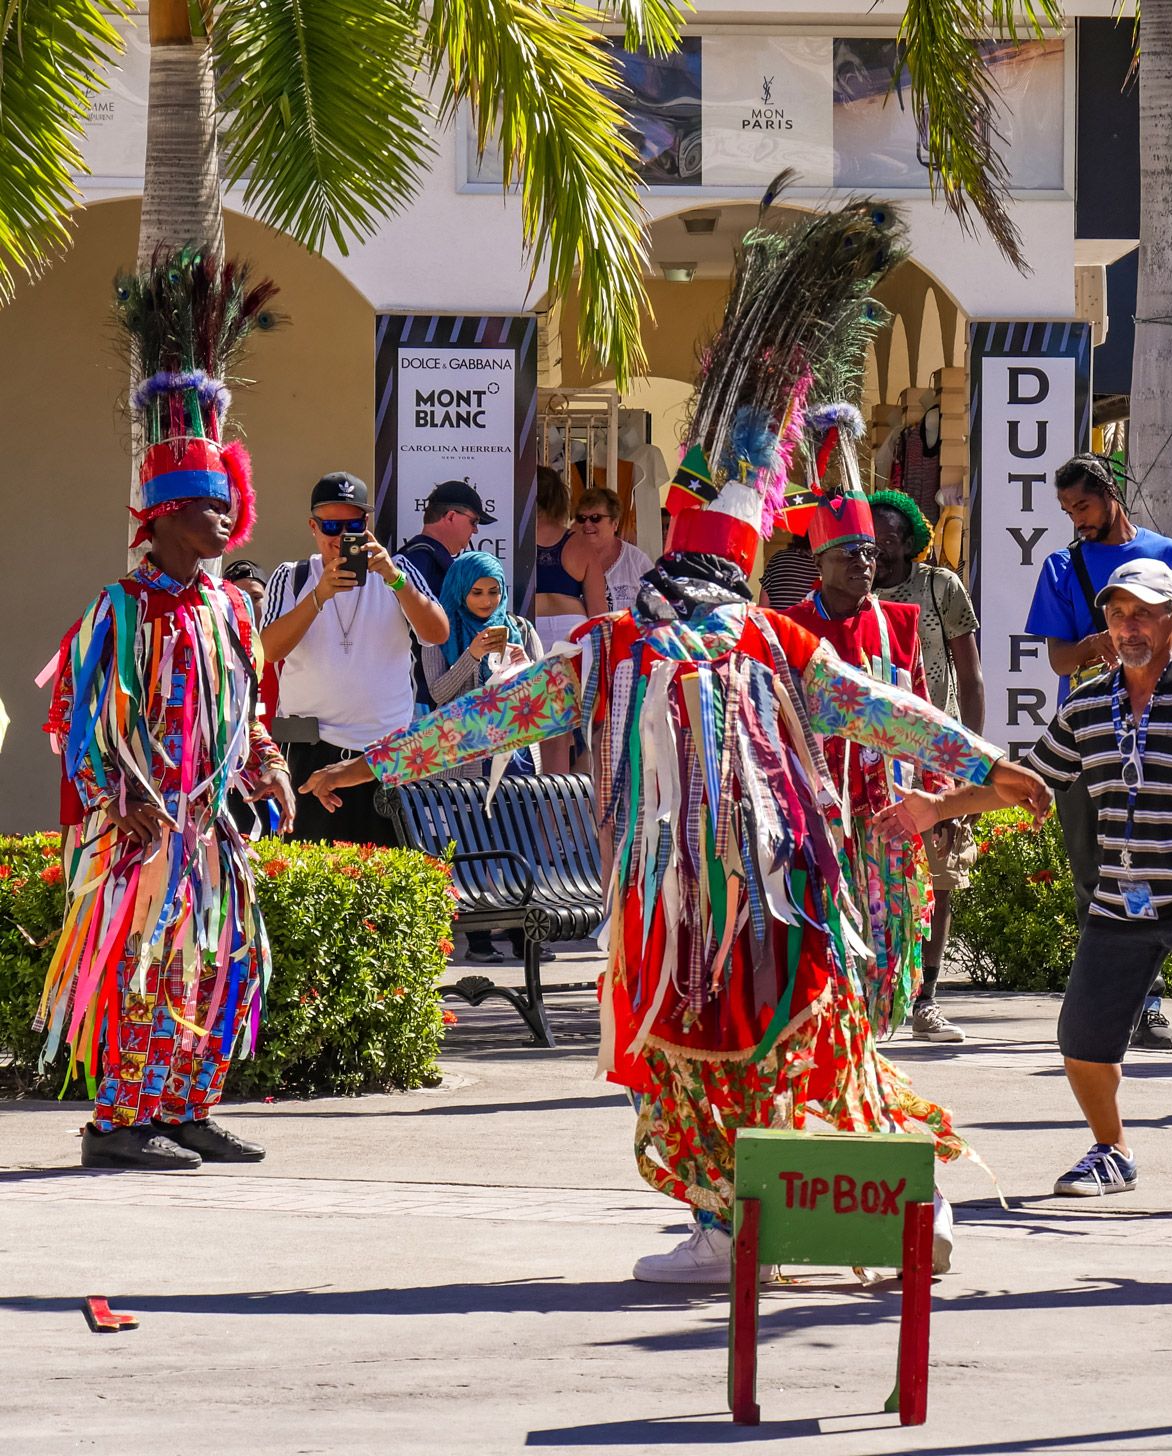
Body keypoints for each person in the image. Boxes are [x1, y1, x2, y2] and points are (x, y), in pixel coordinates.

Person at [297, 195, 1051, 1285]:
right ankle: (873, 1206)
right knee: (807, 1035)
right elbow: (882, 710)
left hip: (678, 903)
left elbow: (480, 716)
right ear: (739, 565)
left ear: (676, 557)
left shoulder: (618, 643)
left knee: (700, 1053)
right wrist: (984, 763)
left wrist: (366, 762)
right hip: (784, 889)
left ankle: (740, 1221)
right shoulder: (771, 638)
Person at [889, 558, 1172, 1210]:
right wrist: (937, 808)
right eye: (1116, 614)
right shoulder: (1086, 707)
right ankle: (1113, 1152)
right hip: (1124, 893)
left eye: (1142, 613)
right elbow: (1029, 781)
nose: (1127, 625)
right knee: (1082, 1036)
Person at [41, 250, 294, 1170]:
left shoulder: (229, 608)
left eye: (227, 503)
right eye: (202, 506)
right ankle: (117, 1124)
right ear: (161, 516)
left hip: (211, 822)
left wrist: (264, 760)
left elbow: (246, 706)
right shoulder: (123, 609)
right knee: (145, 967)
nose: (223, 519)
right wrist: (122, 796)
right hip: (142, 826)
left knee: (215, 964)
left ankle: (187, 1105)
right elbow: (82, 718)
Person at [1024, 453, 1172, 1053]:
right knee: (1091, 870)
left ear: (1110, 494)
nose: (1076, 519)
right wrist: (1095, 643)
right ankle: (1111, 1001)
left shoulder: (1168, 554)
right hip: (1091, 738)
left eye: (1083, 505)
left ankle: (1149, 1005)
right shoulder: (1061, 566)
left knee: (1159, 862)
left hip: (1163, 732)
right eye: (1067, 510)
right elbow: (1057, 661)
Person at [784, 478, 938, 1043]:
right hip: (815, 815)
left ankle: (868, 1042)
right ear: (819, 561)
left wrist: (938, 792)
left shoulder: (899, 623)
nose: (864, 563)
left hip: (886, 810)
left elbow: (919, 709)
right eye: (849, 553)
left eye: (871, 553)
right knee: (823, 936)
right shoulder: (790, 628)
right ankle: (825, 1043)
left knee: (887, 943)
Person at [260, 473, 449, 845]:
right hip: (309, 751)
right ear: (313, 527)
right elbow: (269, 650)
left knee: (389, 881)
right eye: (331, 525)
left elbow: (436, 634)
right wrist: (319, 596)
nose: (341, 537)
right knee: (307, 882)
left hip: (385, 754)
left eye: (353, 525)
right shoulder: (293, 576)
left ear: (368, 526)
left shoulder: (400, 572)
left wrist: (393, 578)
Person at [871, 488, 985, 1043]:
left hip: (935, 755)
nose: (878, 552)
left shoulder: (941, 589)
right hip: (871, 760)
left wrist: (972, 766)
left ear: (911, 541)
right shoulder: (850, 593)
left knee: (939, 879)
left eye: (889, 541)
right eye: (869, 541)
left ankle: (926, 998)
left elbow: (971, 678)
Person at [419, 550, 547, 964]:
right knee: (475, 846)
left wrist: (520, 666)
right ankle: (477, 939)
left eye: (494, 592)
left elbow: (543, 690)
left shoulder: (521, 629)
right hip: (469, 758)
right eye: (477, 592)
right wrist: (472, 656)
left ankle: (523, 935)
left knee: (520, 847)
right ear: (460, 591)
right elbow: (439, 695)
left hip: (519, 757)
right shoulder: (440, 632)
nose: (487, 602)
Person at [396, 479, 497, 711]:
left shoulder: (431, 561)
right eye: (474, 521)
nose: (476, 530)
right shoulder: (413, 562)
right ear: (451, 516)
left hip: (445, 697)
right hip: (421, 699)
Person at [534, 465, 605, 773]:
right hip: (573, 634)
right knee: (573, 729)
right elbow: (599, 610)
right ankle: (565, 805)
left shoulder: (514, 538)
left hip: (532, 631)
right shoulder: (579, 543)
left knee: (534, 724)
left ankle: (538, 806)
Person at [573, 485, 655, 612]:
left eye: (596, 518)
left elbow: (657, 607)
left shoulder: (636, 561)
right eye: (582, 518)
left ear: (615, 523)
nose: (587, 524)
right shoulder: (567, 558)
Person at [757, 528, 819, 610]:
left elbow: (763, 607)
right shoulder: (820, 566)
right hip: (804, 622)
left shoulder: (777, 558)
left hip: (776, 621)